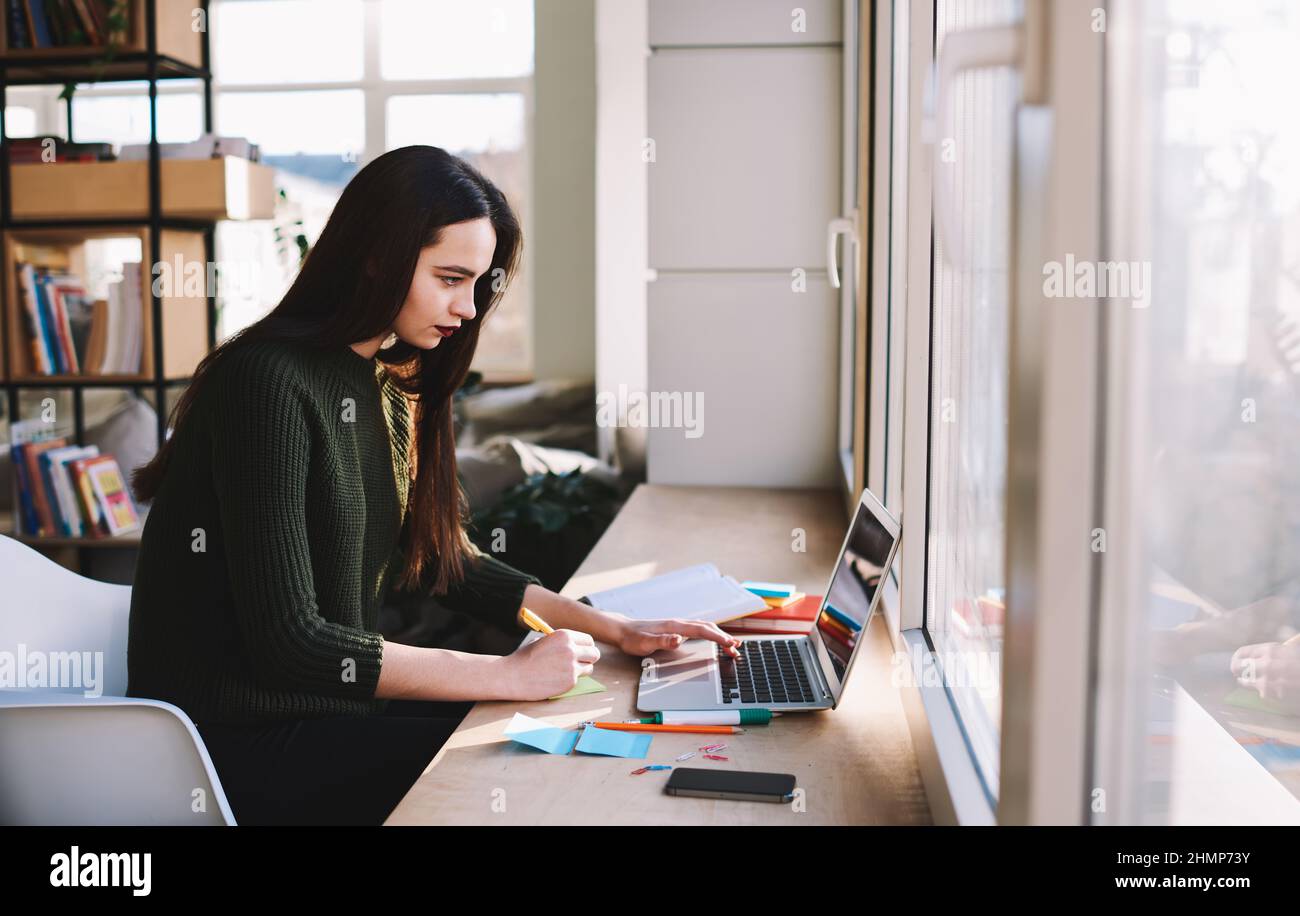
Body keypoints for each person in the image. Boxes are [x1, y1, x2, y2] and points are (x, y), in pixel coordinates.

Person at [125, 145, 739, 825]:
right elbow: (292, 645)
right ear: (376, 255)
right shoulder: (265, 383)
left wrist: (614, 626)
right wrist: (508, 674)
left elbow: (442, 561)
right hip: (226, 750)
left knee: (562, 736)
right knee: (529, 765)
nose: (469, 308)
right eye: (450, 278)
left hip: (330, 718)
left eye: (478, 284)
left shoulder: (383, 385)